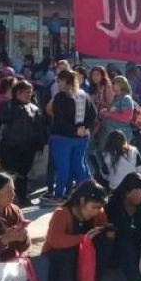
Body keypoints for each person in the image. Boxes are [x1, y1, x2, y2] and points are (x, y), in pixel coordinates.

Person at [42, 180, 112, 281]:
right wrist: (82, 238)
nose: (96, 211)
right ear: (82, 201)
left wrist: (108, 233)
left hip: (80, 258)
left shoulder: (98, 213)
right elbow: (54, 240)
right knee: (66, 254)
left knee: (104, 245)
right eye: (94, 207)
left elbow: (105, 227)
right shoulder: (62, 213)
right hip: (55, 261)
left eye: (99, 208)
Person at [46, 69, 96, 204]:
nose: (58, 83)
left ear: (64, 81)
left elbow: (60, 119)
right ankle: (89, 193)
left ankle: (58, 195)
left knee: (63, 167)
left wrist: (74, 130)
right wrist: (83, 128)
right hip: (82, 137)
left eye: (59, 80)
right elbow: (93, 114)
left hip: (62, 137)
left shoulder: (61, 97)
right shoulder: (84, 95)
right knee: (79, 166)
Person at [0, 80, 46, 205]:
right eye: (26, 92)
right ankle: (7, 199)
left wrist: (40, 144)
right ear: (18, 93)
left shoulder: (34, 108)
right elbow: (1, 122)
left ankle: (23, 198)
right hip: (11, 147)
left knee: (23, 175)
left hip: (28, 147)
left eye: (30, 92)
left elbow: (39, 127)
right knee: (9, 174)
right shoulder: (7, 106)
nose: (29, 95)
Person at [99, 75, 135, 150]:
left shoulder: (126, 98)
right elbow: (115, 110)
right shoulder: (117, 97)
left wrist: (109, 114)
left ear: (121, 84)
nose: (112, 85)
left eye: (114, 83)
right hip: (109, 132)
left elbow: (126, 117)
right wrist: (106, 112)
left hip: (120, 134)